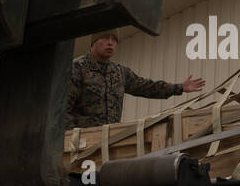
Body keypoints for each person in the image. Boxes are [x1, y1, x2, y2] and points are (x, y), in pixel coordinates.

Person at [67, 32, 205, 128]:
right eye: (105, 38)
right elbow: (62, 110)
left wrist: (179, 87)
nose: (110, 43)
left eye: (114, 40)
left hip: (109, 140)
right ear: (94, 42)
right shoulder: (77, 68)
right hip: (82, 141)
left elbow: (146, 87)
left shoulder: (119, 72)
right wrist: (69, 141)